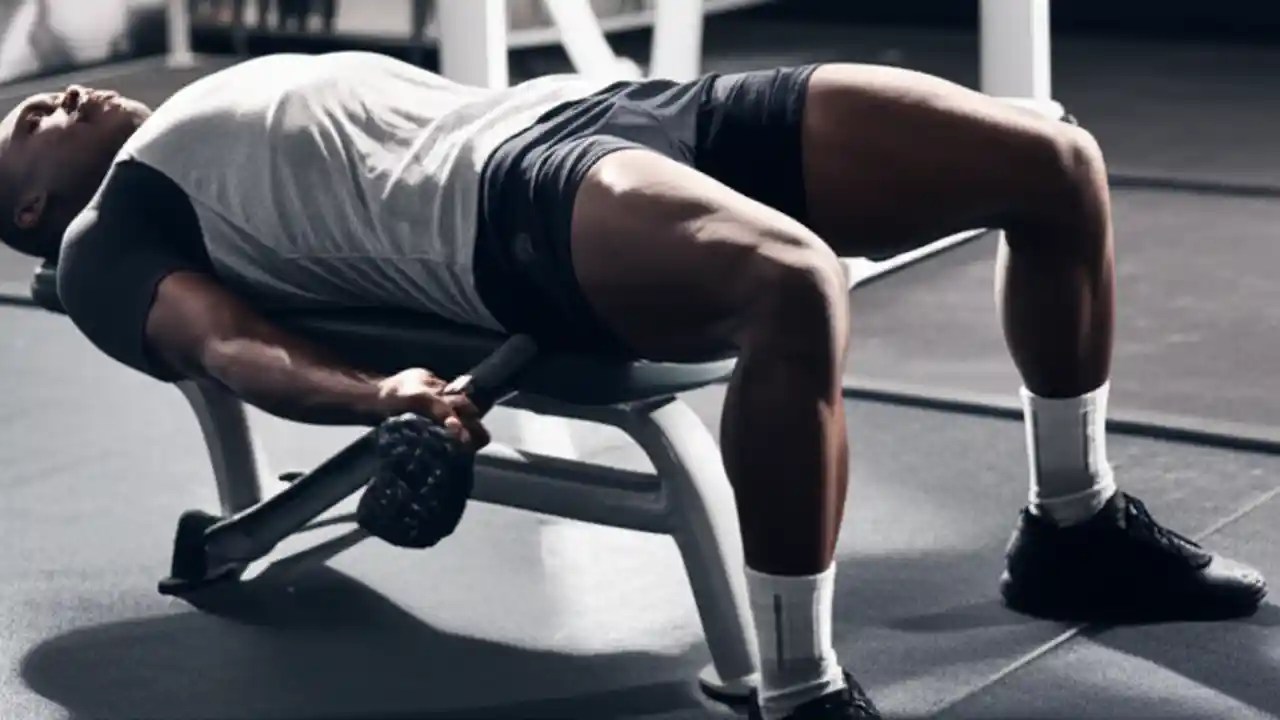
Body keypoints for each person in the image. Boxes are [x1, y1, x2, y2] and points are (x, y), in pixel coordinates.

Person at [0, 52, 1266, 720]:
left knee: (1052, 160)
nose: (53, 96)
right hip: (503, 207)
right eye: (27, 124)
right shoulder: (106, 239)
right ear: (33, 209)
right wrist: (387, 396)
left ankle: (1073, 528)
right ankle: (797, 690)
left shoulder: (188, 113)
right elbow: (229, 348)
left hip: (605, 113)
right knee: (792, 285)